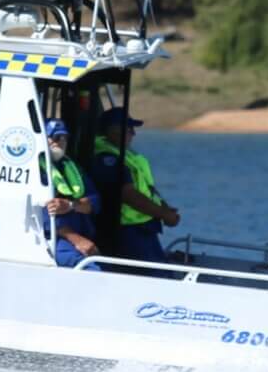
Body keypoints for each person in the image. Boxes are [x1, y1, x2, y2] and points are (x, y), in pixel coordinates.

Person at [92, 105, 179, 263]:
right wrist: (163, 214)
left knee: (161, 270)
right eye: (129, 128)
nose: (133, 133)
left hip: (143, 228)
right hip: (127, 231)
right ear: (113, 130)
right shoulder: (107, 159)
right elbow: (128, 195)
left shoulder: (126, 155)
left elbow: (148, 188)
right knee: (155, 274)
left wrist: (164, 207)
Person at [40, 119, 99, 266]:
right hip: (54, 239)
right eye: (55, 137)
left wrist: (71, 205)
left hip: (80, 237)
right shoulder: (35, 170)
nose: (60, 141)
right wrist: (76, 239)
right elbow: (42, 215)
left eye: (64, 137)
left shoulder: (73, 168)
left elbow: (95, 201)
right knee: (90, 269)